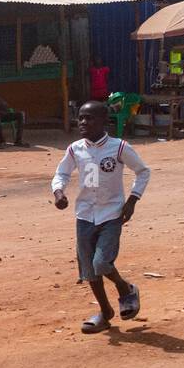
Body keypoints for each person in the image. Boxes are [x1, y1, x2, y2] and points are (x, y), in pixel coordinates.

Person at [52, 100, 151, 334]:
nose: (83, 122)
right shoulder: (75, 149)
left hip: (111, 214)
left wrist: (132, 200)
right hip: (85, 214)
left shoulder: (119, 147)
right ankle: (105, 312)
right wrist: (58, 192)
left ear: (104, 121)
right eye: (80, 118)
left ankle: (125, 288)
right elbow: (61, 173)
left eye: (89, 118)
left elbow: (143, 171)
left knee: (101, 263)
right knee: (89, 269)